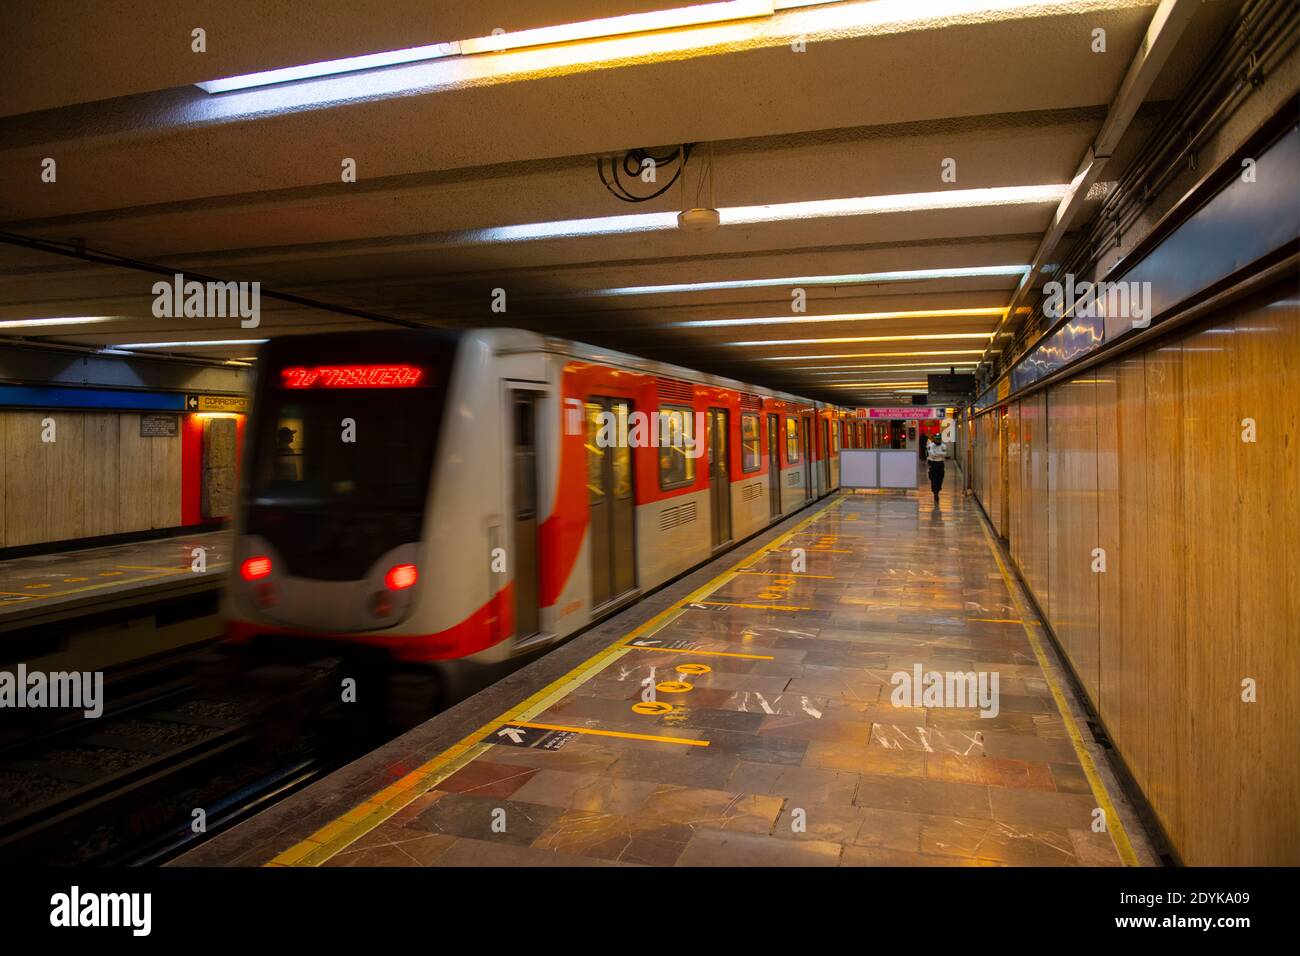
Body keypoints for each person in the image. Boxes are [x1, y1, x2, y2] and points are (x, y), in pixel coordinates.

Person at [925, 434, 946, 502]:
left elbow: (944, 454)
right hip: (933, 463)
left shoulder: (943, 445)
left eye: (939, 439)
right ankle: (935, 492)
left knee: (940, 478)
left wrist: (936, 453)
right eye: (936, 439)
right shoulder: (930, 446)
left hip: (940, 464)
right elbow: (932, 455)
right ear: (934, 439)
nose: (938, 440)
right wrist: (940, 454)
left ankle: (937, 490)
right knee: (933, 479)